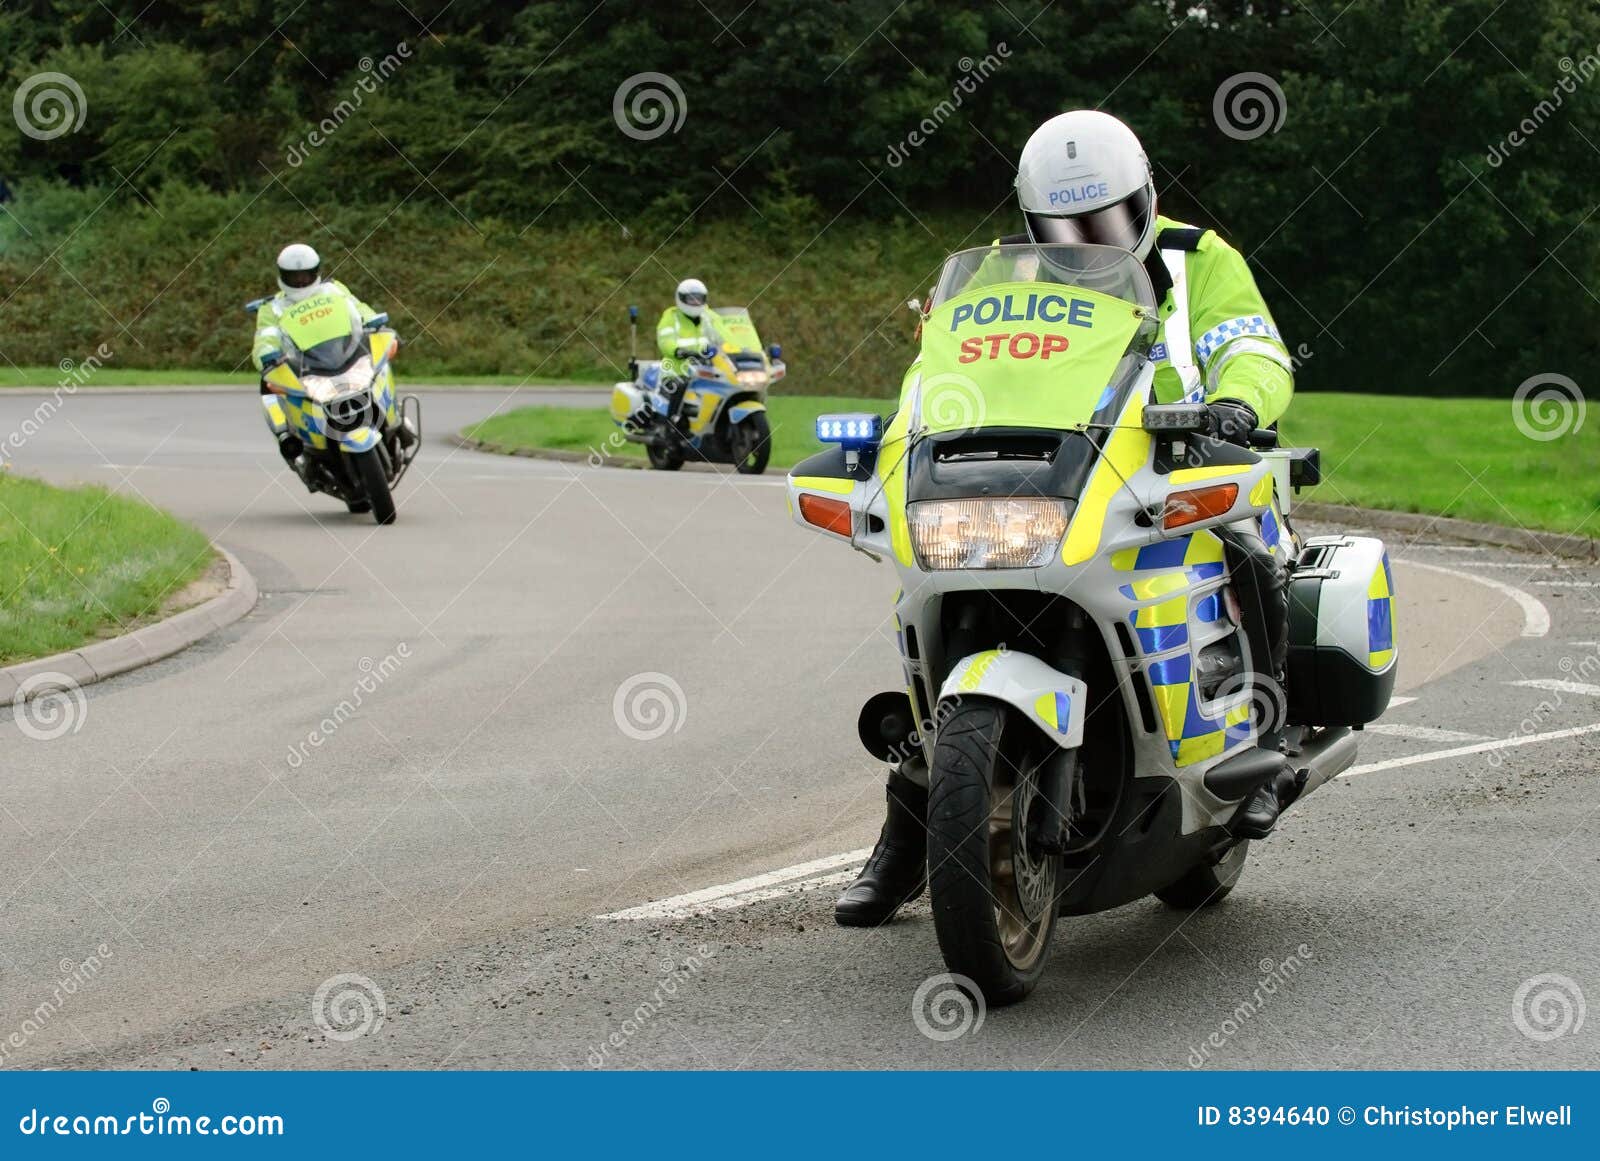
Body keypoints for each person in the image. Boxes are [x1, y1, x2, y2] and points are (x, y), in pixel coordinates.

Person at [835, 109, 1297, 928]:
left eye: (1110, 220)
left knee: (1250, 555)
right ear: (1031, 223)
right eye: (1064, 227)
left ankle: (1265, 742)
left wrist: (1233, 404)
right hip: (1049, 482)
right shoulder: (1000, 280)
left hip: (1177, 468)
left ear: (1146, 197)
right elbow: (932, 370)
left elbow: (1253, 346)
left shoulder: (1199, 261)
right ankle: (910, 833)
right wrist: (897, 437)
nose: (1090, 238)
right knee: (938, 612)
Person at [251, 243, 385, 470]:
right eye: (295, 277)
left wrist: (372, 322)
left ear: (316, 272)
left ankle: (394, 417)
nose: (301, 282)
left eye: (306, 275)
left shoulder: (333, 289)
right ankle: (288, 436)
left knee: (380, 363)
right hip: (304, 367)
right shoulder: (272, 308)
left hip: (345, 356)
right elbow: (265, 335)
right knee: (269, 385)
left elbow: (357, 307)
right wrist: (266, 354)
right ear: (283, 276)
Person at [653, 278, 718, 436]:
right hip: (676, 371)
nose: (695, 302)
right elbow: (664, 340)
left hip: (706, 370)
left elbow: (725, 333)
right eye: (691, 298)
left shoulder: (709, 317)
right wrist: (678, 350)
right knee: (680, 385)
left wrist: (741, 345)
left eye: (699, 299)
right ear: (681, 298)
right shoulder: (671, 317)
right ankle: (671, 426)